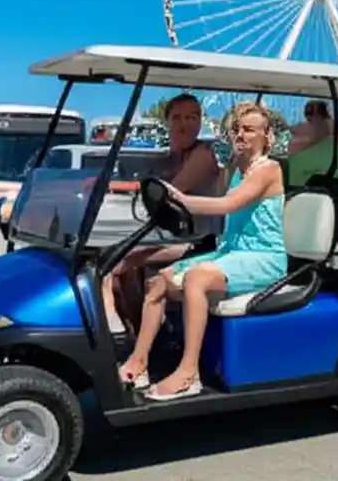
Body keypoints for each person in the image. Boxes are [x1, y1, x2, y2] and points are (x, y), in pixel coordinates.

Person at [118, 101, 287, 401]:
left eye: (249, 130)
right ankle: (138, 361)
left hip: (263, 258)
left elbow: (228, 205)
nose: (242, 135)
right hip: (232, 252)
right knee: (159, 280)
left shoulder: (269, 169)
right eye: (237, 129)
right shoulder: (238, 169)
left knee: (197, 278)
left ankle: (188, 374)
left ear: (267, 137)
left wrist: (180, 199)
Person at [102, 93, 221, 335]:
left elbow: (171, 191)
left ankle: (115, 335)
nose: (184, 124)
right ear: (167, 122)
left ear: (200, 121)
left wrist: (120, 186)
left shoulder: (203, 154)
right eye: (177, 117)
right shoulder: (169, 156)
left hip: (201, 239)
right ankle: (137, 331)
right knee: (117, 264)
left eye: (192, 117)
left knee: (111, 265)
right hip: (174, 236)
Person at [285, 99, 338, 187]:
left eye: (309, 113)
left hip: (306, 189)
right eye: (307, 113)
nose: (307, 117)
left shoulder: (308, 135)